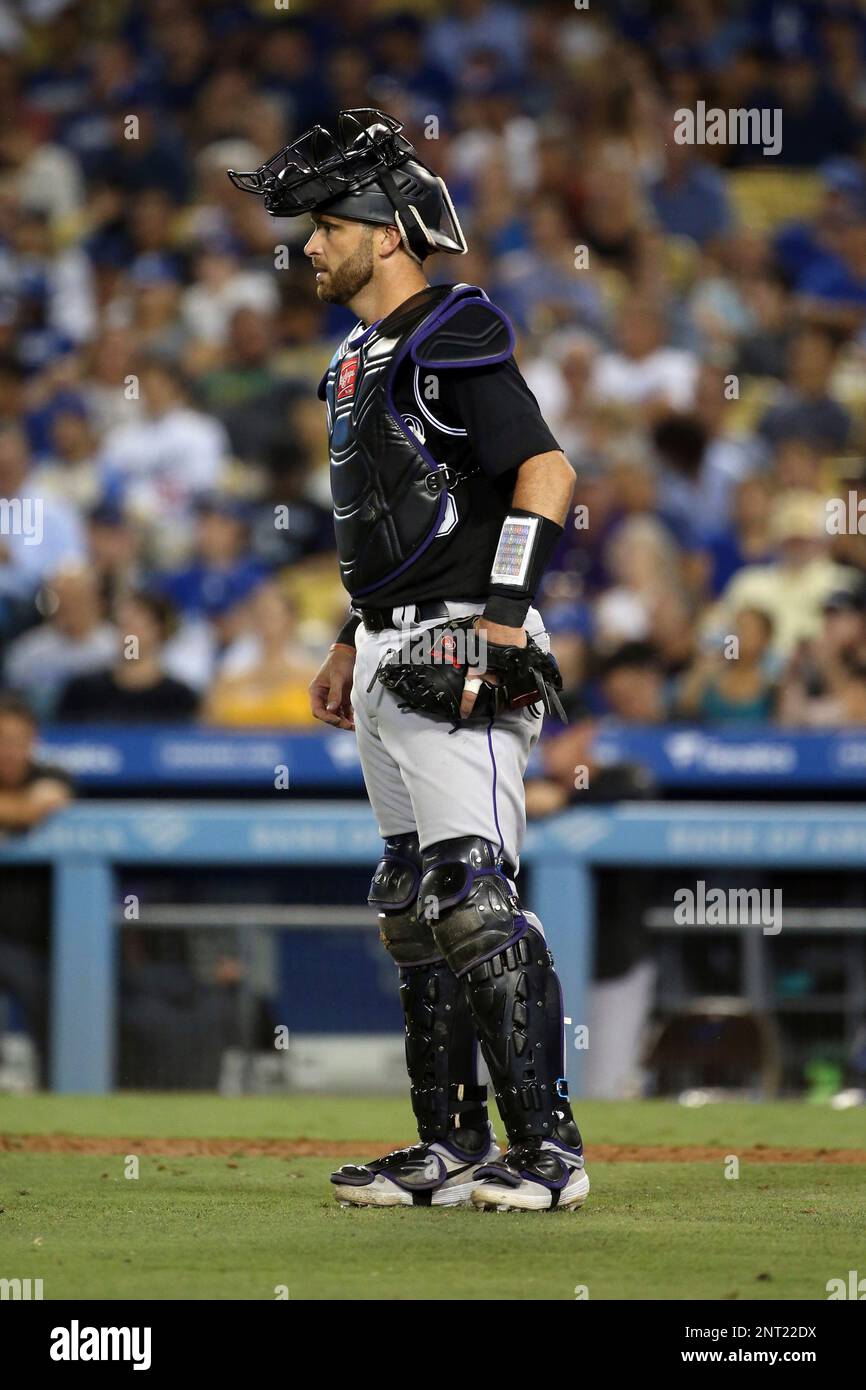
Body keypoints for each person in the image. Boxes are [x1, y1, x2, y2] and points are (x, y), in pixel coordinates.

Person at [229, 109, 588, 1211]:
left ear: (385, 229)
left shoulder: (453, 332)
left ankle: (548, 1152)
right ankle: (447, 1145)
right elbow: (389, 526)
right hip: (389, 648)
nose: (308, 247)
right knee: (415, 902)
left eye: (324, 226)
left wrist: (504, 616)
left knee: (474, 898)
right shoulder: (354, 358)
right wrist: (348, 637)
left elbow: (543, 472)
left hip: (458, 642)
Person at [0, 692, 73, 1084]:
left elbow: (34, 808)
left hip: (33, 943)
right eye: (1, 740)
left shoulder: (52, 774)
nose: (9, 752)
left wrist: (17, 810)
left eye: (17, 741)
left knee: (53, 996)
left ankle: (55, 1091)